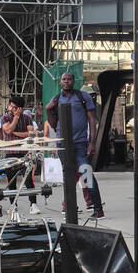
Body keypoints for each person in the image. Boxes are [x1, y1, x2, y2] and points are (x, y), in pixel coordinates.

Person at [47, 72, 104, 219]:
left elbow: (92, 121)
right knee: (69, 176)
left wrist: (92, 143)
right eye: (63, 79)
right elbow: (53, 124)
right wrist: (48, 109)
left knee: (87, 173)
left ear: (74, 81)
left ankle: (98, 209)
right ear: (60, 82)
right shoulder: (56, 99)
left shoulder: (82, 97)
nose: (66, 82)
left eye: (69, 79)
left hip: (80, 143)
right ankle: (71, 207)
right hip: (63, 144)